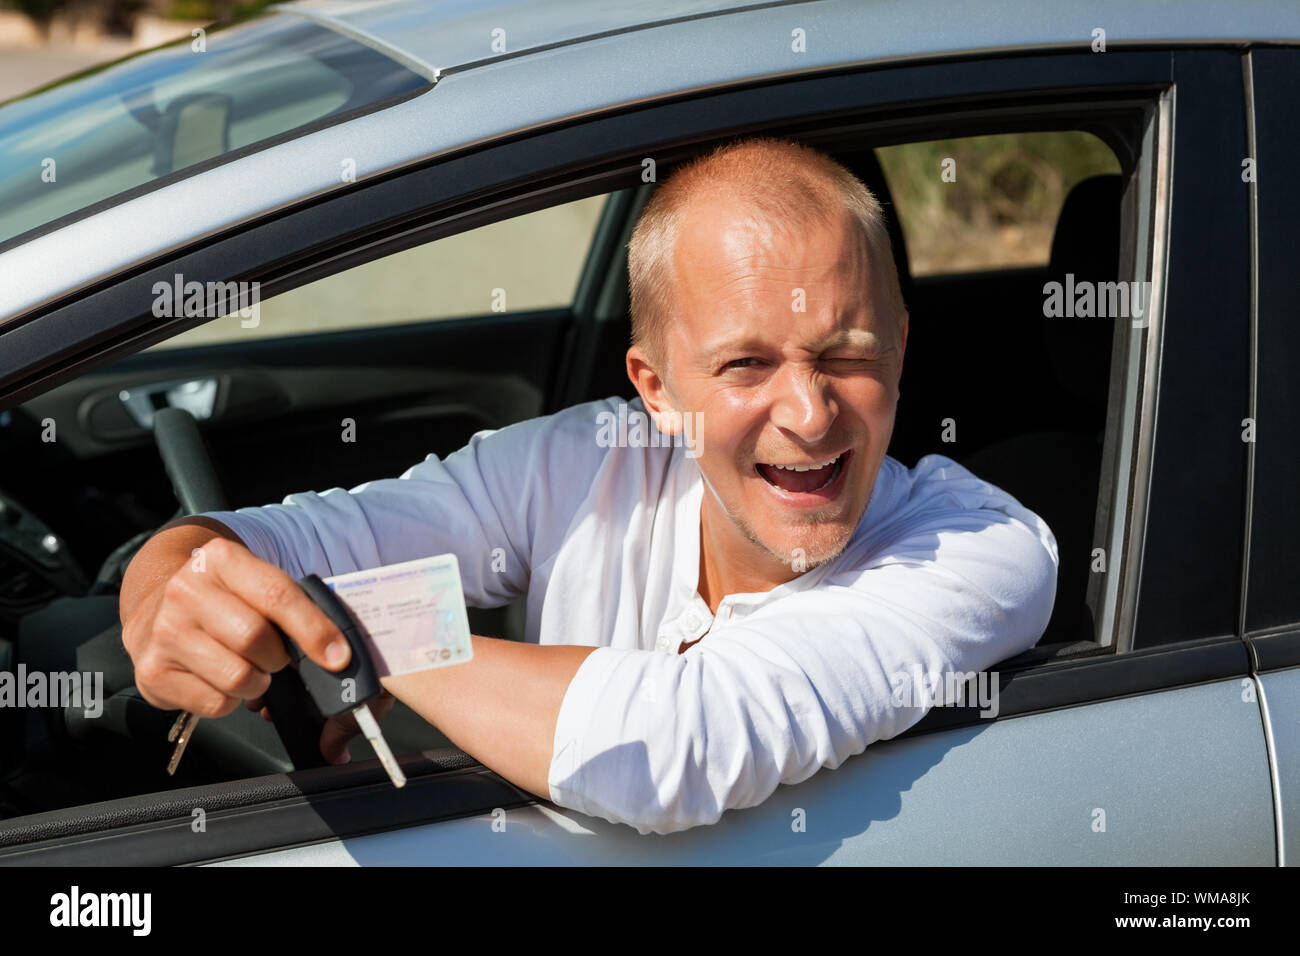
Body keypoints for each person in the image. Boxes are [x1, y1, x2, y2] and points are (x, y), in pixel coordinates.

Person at [119, 137, 1057, 835]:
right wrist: (173, 583)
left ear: (899, 351)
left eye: (846, 357)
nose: (809, 415)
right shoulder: (587, 461)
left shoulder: (979, 548)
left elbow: (669, 749)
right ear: (654, 388)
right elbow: (255, 544)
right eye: (745, 366)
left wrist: (362, 636)